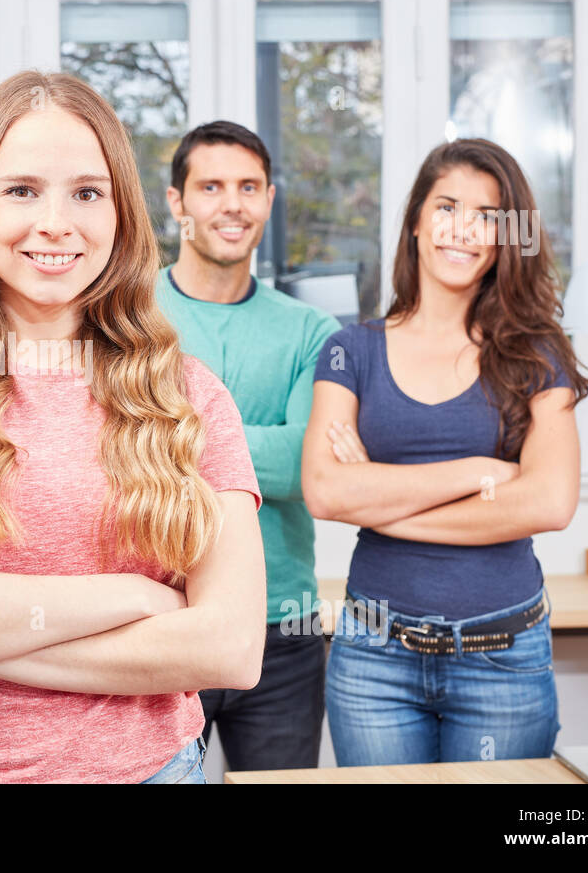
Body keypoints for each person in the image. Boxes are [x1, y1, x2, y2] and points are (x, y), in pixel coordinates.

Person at [0, 69, 266, 784]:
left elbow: (232, 647)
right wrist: (137, 598)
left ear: (121, 213)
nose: (56, 222)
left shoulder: (190, 396)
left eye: (87, 193)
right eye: (22, 189)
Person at [302, 138, 588, 765]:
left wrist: (377, 499)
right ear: (415, 221)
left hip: (503, 659)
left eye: (486, 215)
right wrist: (481, 472)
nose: (463, 230)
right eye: (446, 207)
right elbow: (325, 491)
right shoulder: (350, 350)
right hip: (373, 659)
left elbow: (548, 501)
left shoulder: (537, 352)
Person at [156, 121, 339, 771]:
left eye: (249, 187)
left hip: (282, 627)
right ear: (177, 202)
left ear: (268, 199)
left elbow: (304, 465)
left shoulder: (312, 329)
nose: (232, 204)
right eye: (210, 186)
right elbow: (111, 458)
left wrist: (171, 438)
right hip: (162, 615)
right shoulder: (125, 316)